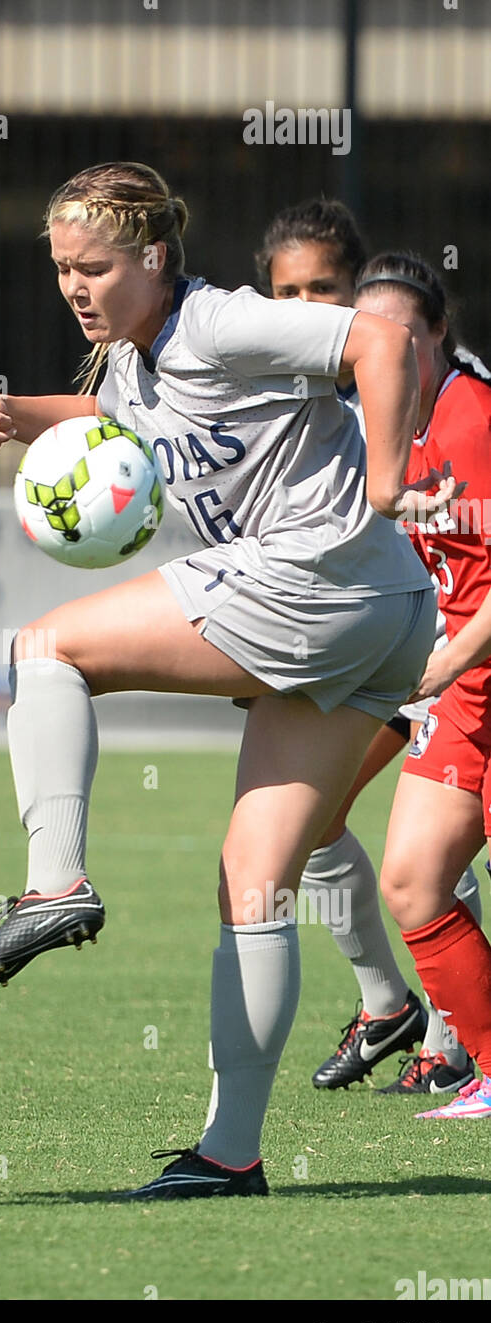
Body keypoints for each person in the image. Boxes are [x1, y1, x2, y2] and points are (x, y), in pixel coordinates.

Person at [0, 160, 457, 1200]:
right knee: (255, 878)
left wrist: (391, 469)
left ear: (156, 256)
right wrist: (17, 412)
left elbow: (385, 337)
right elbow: (124, 428)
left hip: (317, 578)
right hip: (387, 614)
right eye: (61, 271)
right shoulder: (129, 367)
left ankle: (56, 882)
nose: (75, 289)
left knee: (47, 648)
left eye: (94, 268)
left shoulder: (219, 323)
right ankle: (231, 1154)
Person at [258, 200, 480, 1096]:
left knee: (434, 849)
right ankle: (389, 1001)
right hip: (396, 647)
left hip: (445, 653)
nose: (310, 309)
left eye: (326, 289)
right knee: (308, 819)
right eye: (290, 293)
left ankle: (453, 1033)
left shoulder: (451, 402)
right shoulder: (312, 397)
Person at [364, 252, 491, 1119]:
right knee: (411, 880)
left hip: (470, 669)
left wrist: (444, 662)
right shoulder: (385, 429)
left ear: (440, 335)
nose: (392, 353)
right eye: (374, 339)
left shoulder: (471, 418)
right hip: (464, 687)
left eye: (407, 336)